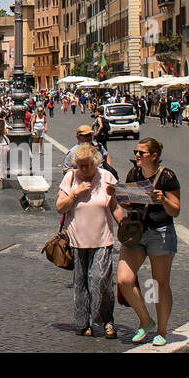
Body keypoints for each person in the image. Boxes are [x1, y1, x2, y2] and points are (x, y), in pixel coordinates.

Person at [116, 138, 181, 347]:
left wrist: (163, 200)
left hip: (160, 232)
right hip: (136, 232)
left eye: (141, 153)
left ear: (154, 156)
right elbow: (128, 203)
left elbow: (176, 210)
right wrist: (117, 196)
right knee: (124, 280)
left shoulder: (167, 176)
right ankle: (145, 320)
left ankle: (161, 331)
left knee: (159, 282)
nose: (137, 155)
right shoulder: (133, 174)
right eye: (136, 152)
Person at [56, 144, 121, 338]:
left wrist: (124, 223)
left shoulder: (106, 178)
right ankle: (84, 322)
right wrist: (76, 194)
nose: (83, 170)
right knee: (81, 283)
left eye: (88, 166)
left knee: (101, 280)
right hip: (77, 240)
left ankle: (106, 320)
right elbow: (60, 207)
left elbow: (115, 206)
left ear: (96, 163)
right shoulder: (70, 178)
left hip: (103, 238)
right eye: (80, 166)